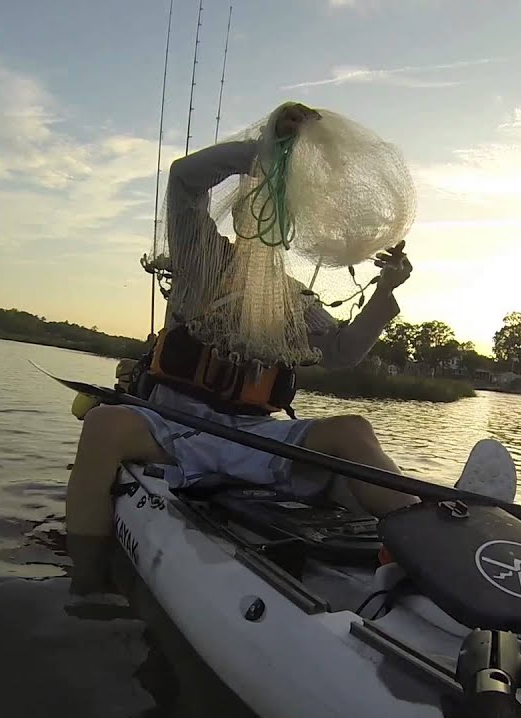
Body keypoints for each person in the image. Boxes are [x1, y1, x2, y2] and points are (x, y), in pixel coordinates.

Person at [65, 102, 417, 590]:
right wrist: (266, 153)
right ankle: (84, 579)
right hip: (173, 425)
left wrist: (385, 292)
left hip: (254, 437)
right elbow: (185, 179)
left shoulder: (291, 298)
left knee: (352, 429)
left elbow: (342, 352)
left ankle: (433, 532)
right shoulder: (201, 259)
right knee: (104, 424)